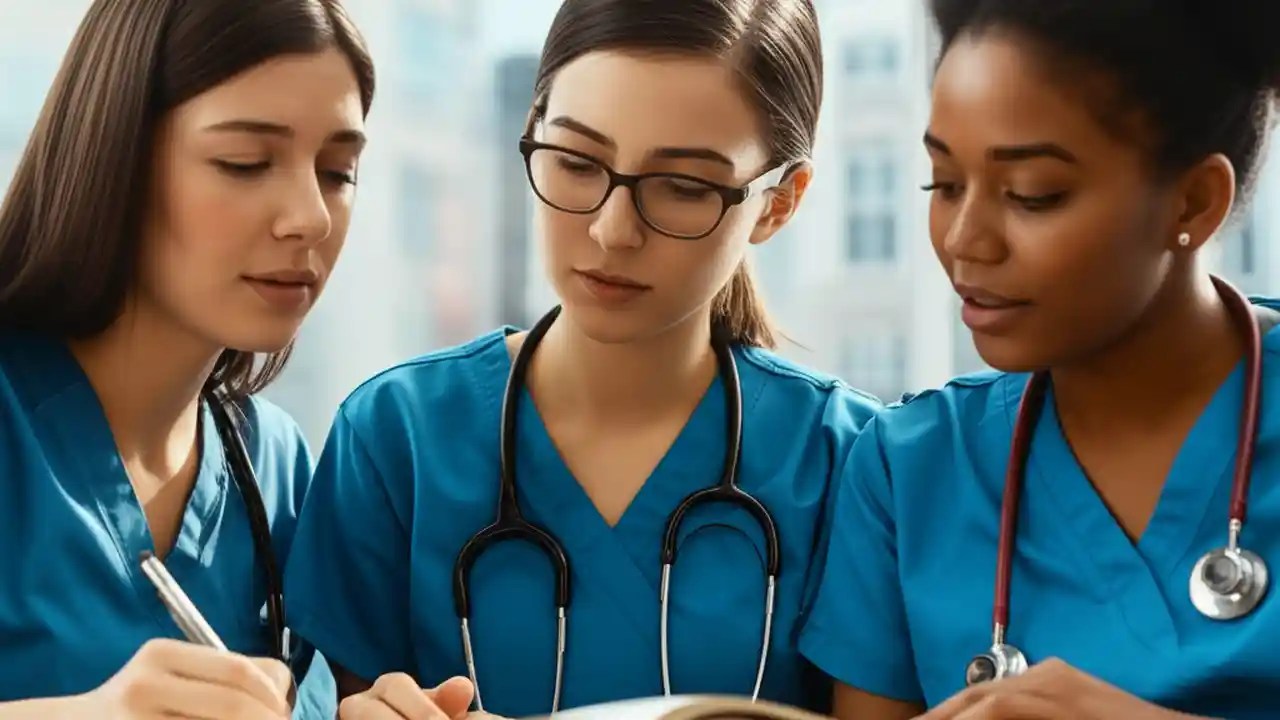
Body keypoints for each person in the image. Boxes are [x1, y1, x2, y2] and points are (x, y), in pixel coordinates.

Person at [282, 0, 883, 718]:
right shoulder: (396, 441)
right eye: (576, 162)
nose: (611, 229)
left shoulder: (849, 463)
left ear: (779, 202)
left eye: (684, 187)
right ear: (531, 131)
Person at [798, 0, 1280, 718]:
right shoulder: (910, 472)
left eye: (1032, 195)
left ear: (1193, 202)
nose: (965, 241)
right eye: (944, 184)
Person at [0, 0, 374, 718]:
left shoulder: (274, 466)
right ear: (114, 158)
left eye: (337, 171)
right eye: (245, 162)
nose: (311, 217)